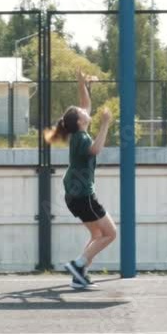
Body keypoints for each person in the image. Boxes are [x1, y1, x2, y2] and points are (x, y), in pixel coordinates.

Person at [44, 69, 117, 290]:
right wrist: (105, 123)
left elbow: (85, 103)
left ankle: (79, 276)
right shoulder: (83, 138)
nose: (86, 111)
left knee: (97, 233)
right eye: (82, 112)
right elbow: (95, 150)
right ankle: (78, 264)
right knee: (110, 234)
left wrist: (81, 82)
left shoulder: (78, 132)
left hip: (74, 195)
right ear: (80, 121)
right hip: (83, 196)